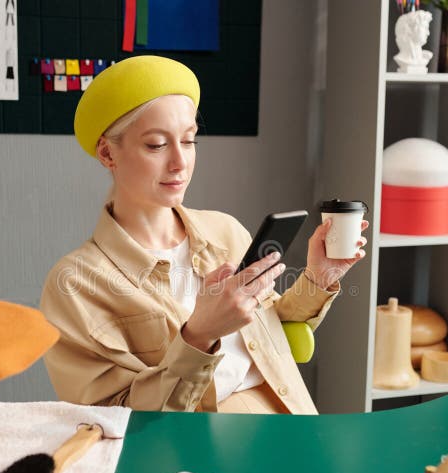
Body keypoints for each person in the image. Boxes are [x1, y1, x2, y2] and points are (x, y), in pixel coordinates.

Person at [40, 55, 368, 414]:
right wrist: (198, 336)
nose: (180, 162)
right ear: (107, 152)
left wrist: (318, 279)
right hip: (196, 451)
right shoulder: (76, 285)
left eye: (189, 140)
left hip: (294, 418)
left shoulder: (224, 230)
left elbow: (272, 330)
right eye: (156, 145)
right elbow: (114, 418)